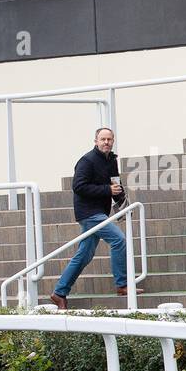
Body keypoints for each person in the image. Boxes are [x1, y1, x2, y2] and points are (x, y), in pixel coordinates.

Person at [49, 127, 138, 309]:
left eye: (109, 139)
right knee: (119, 240)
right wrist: (107, 190)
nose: (106, 142)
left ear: (113, 141)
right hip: (89, 213)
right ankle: (122, 285)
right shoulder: (87, 161)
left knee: (84, 255)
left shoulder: (111, 160)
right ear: (96, 141)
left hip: (100, 212)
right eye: (103, 139)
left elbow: (115, 185)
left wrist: (123, 205)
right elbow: (78, 186)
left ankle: (59, 293)